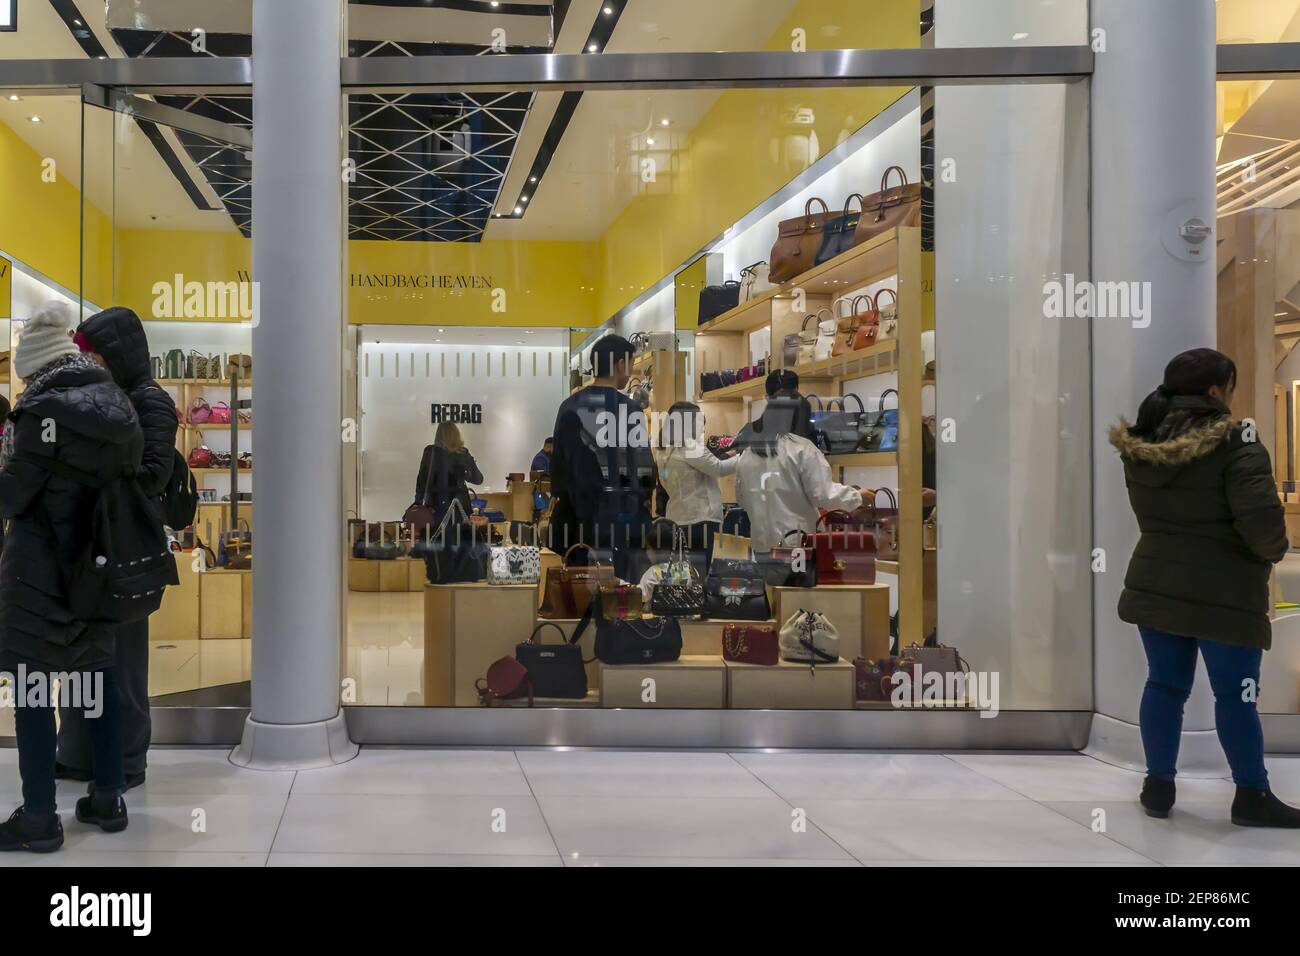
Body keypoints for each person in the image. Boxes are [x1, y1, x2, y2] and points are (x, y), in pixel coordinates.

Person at [1111, 347, 1300, 827]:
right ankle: (1251, 795)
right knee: (1236, 695)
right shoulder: (1239, 441)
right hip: (1227, 592)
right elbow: (1260, 521)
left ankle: (1158, 787)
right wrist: (1275, 549)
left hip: (1156, 582)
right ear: (1217, 390)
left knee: (1164, 684)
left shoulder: (1142, 444)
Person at [0, 301, 144, 852]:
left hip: (40, 573)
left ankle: (40, 816)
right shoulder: (119, 408)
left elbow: (15, 496)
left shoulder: (40, 414)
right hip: (98, 569)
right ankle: (108, 796)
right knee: (97, 680)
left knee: (35, 691)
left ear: (37, 368)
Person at [53, 307, 178, 791]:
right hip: (90, 549)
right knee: (82, 656)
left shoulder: (151, 403)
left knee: (123, 664)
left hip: (125, 551)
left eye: (95, 354)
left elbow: (152, 476)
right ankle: (78, 752)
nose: (90, 363)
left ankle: (126, 760)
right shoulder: (105, 398)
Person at [548, 334, 655, 577]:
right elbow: (644, 468)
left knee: (581, 591)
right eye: (629, 364)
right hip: (623, 520)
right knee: (623, 593)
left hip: (579, 523)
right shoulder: (629, 409)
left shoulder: (569, 406)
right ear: (620, 364)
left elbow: (559, 469)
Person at [734, 389, 872, 553]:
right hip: (799, 544)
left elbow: (742, 499)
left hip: (761, 544)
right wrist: (857, 496)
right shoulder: (801, 448)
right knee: (800, 578)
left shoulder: (748, 453)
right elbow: (822, 494)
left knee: (768, 579)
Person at [655, 401, 737, 574]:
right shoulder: (689, 445)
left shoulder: (663, 448)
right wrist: (745, 457)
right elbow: (718, 468)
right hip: (701, 519)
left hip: (677, 519)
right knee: (702, 575)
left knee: (684, 576)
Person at [413, 421, 483, 530]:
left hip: (435, 506)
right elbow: (478, 479)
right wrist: (466, 466)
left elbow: (422, 481)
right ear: (456, 435)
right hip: (460, 507)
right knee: (460, 540)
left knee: (436, 540)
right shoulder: (463, 453)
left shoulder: (430, 452)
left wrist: (418, 502)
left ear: (438, 435)